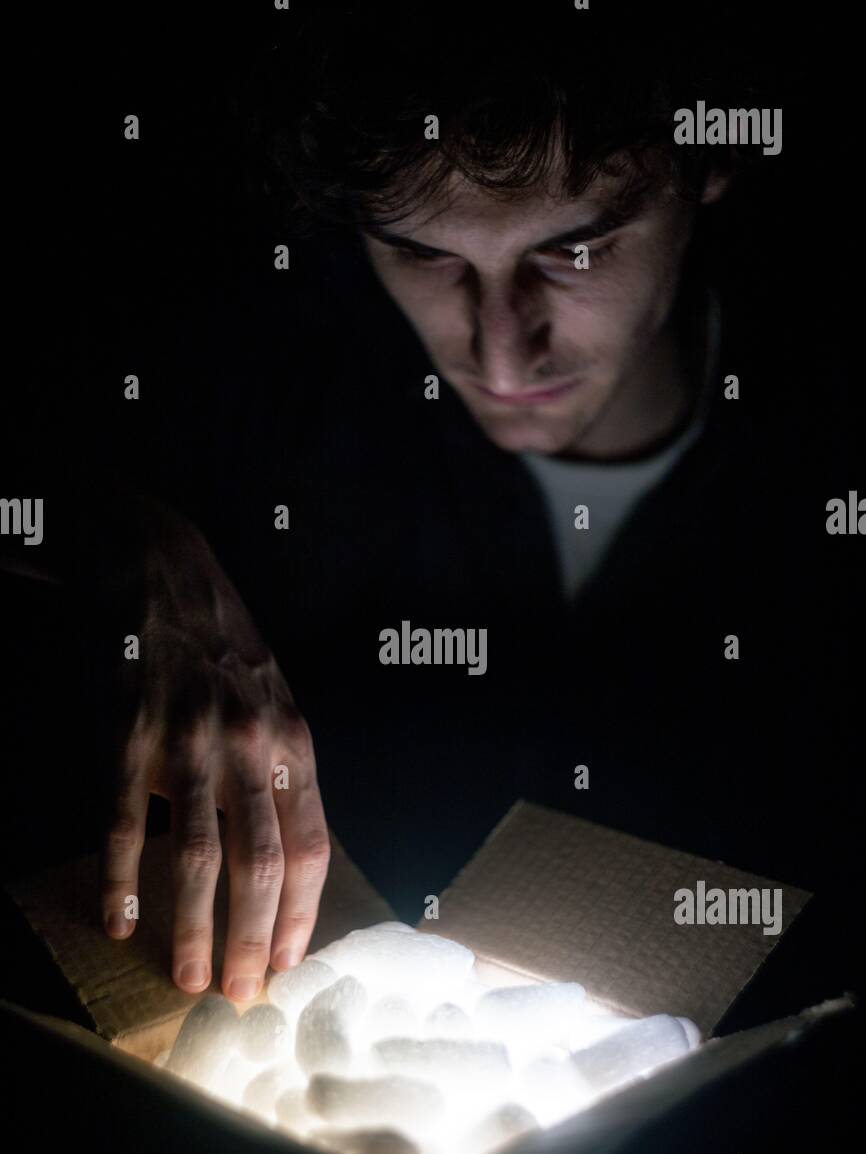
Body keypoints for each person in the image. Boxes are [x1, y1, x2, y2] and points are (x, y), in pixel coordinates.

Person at [2, 9, 858, 1006]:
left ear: (710, 169)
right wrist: (127, 547)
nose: (497, 353)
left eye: (574, 253)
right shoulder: (273, 371)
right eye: (424, 257)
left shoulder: (820, 434)